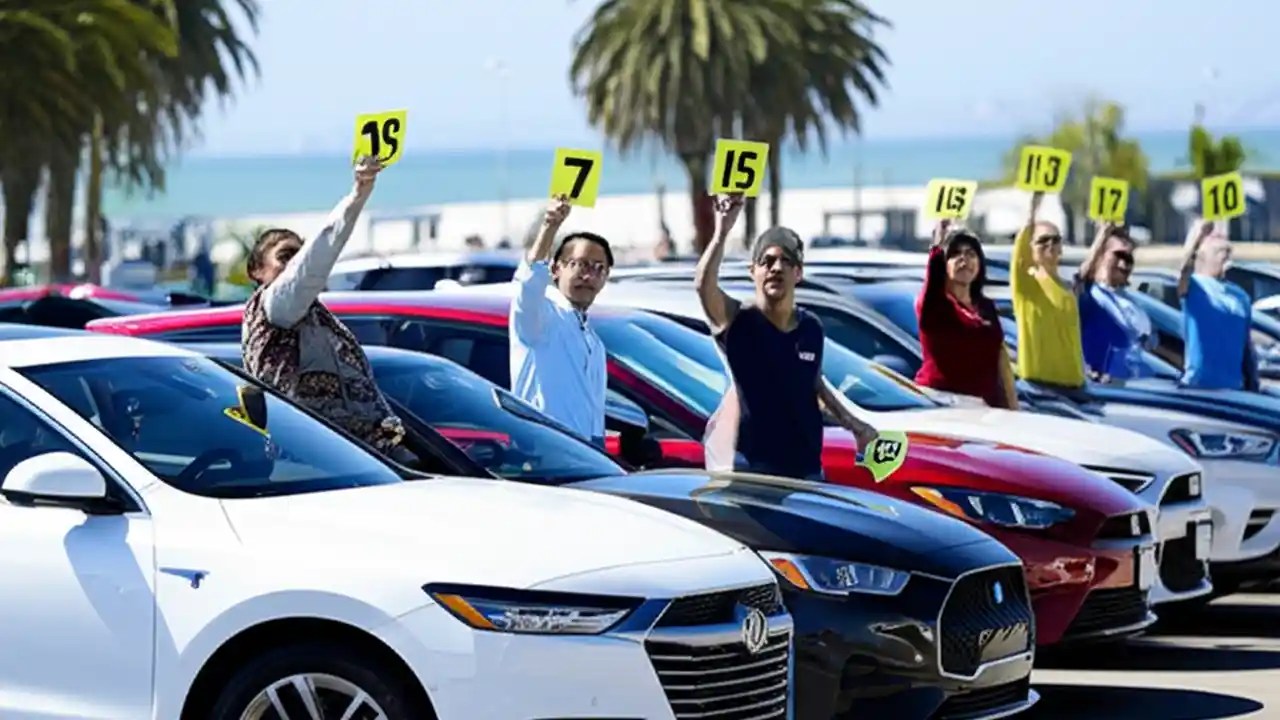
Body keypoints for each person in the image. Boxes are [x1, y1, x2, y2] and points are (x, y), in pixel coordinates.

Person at [695, 194, 878, 481]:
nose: (776, 268)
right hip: (753, 472)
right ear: (752, 272)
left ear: (798, 273)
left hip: (806, 468)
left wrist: (854, 425)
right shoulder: (737, 320)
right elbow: (703, 287)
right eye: (766, 261)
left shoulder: (811, 328)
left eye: (786, 261)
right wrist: (722, 232)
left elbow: (813, 382)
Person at [242, 157, 408, 454]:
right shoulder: (274, 307)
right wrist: (359, 193)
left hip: (361, 458)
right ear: (256, 271)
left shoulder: (315, 316)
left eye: (298, 255)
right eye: (285, 256)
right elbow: (315, 259)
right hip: (315, 461)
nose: (294, 264)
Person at [509, 195, 611, 445]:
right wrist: (550, 225)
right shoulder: (540, 318)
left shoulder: (593, 341)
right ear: (556, 269)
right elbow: (530, 282)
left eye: (598, 268)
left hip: (584, 457)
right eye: (580, 264)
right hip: (542, 455)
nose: (588, 276)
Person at [915, 220, 1018, 409]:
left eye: (971, 254)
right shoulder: (936, 306)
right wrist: (937, 247)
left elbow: (1001, 363)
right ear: (945, 264)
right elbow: (932, 282)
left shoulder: (986, 307)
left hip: (985, 409)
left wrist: (1012, 407)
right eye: (955, 254)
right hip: (941, 403)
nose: (964, 259)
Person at [1010, 192, 1087, 394]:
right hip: (1040, 388)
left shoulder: (1068, 288)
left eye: (1055, 240)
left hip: (1075, 385)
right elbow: (1019, 256)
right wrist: (1033, 210)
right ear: (1031, 248)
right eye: (1043, 240)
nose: (1050, 245)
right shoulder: (1027, 285)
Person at [1177, 220, 1259, 390]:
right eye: (1219, 250)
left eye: (1228, 250)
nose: (1226, 254)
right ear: (1202, 255)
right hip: (1198, 388)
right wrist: (1196, 238)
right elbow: (1183, 270)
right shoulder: (1194, 286)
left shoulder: (1240, 296)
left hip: (1233, 389)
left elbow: (1247, 347)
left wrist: (1253, 384)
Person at [1075, 223, 1153, 381]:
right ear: (1101, 256)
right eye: (1118, 256)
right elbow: (1081, 278)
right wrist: (1103, 233)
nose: (1124, 264)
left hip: (1136, 385)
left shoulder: (1132, 303)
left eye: (1129, 258)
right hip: (1103, 387)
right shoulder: (1092, 296)